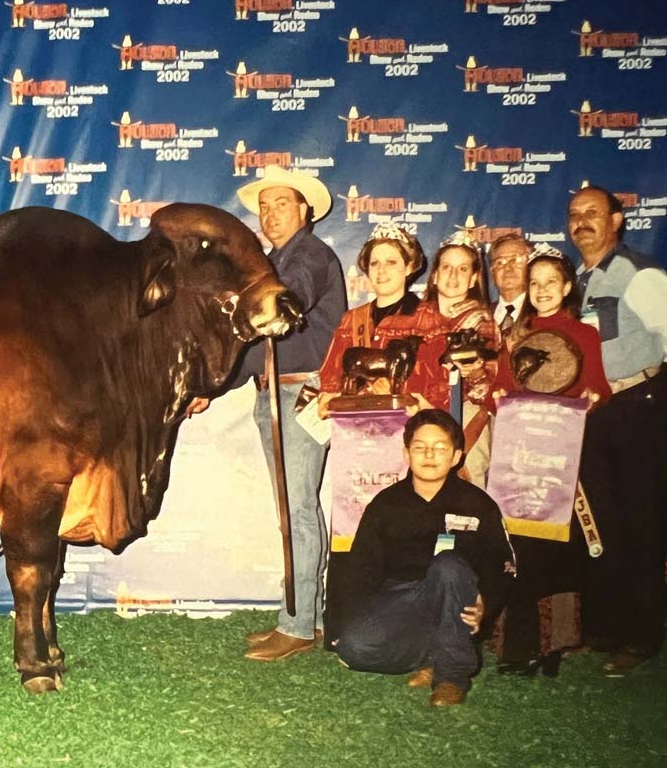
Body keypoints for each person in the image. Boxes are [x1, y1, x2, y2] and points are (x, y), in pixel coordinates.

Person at [205, 166, 346, 662]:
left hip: (301, 394)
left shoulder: (308, 256)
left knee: (299, 510)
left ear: (304, 211)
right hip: (272, 391)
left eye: (281, 204)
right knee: (294, 510)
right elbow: (250, 352)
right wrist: (210, 388)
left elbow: (288, 302)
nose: (270, 214)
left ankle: (300, 625)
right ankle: (303, 616)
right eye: (264, 207)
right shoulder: (270, 261)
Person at [334, 410, 515, 706]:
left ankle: (451, 677)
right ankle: (431, 655)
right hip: (403, 597)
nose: (429, 454)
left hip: (455, 594)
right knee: (354, 649)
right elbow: (360, 570)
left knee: (449, 565)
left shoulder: (478, 504)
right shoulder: (386, 504)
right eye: (420, 447)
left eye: (440, 447)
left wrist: (487, 600)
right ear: (406, 453)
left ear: (457, 456)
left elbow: (504, 564)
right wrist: (350, 625)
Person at [487, 246, 611, 676]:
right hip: (521, 457)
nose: (540, 290)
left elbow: (599, 387)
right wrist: (499, 397)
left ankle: (553, 646)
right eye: (533, 282)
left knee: (558, 547)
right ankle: (516, 647)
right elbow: (499, 387)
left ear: (566, 287)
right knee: (519, 546)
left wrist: (591, 400)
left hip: (562, 461)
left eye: (550, 282)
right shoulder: (516, 336)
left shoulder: (585, 335)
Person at [566, 184, 667, 676]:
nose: (582, 221)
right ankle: (604, 628)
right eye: (575, 214)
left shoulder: (639, 274)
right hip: (592, 413)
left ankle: (642, 636)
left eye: (593, 213)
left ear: (617, 219)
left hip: (637, 404)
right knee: (598, 524)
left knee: (641, 523)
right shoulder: (576, 280)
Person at [315, 223, 451, 411]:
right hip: (355, 425)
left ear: (409, 267)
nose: (381, 270)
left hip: (409, 427)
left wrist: (401, 392)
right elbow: (331, 374)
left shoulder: (428, 319)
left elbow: (440, 384)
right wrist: (330, 397)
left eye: (391, 262)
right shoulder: (351, 319)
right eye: (374, 263)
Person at [422, 234, 500, 484]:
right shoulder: (416, 319)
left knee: (468, 490)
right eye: (446, 267)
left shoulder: (482, 321)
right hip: (422, 412)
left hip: (465, 415)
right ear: (434, 275)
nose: (453, 275)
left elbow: (490, 378)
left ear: (474, 278)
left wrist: (475, 374)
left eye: (462, 268)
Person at [488, 235, 530, 338]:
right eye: (500, 262)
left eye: (515, 261)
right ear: (492, 274)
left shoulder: (539, 314)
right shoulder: (482, 316)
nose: (508, 268)